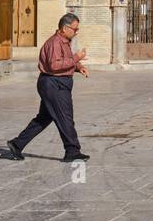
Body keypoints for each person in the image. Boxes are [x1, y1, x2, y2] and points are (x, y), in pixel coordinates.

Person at [6, 13, 90, 163]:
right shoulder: (55, 43)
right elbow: (55, 65)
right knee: (65, 117)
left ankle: (17, 144)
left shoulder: (64, 42)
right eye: (74, 29)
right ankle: (72, 151)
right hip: (54, 83)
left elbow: (65, 59)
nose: (76, 32)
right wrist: (77, 57)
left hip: (57, 83)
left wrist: (78, 67)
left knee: (44, 118)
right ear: (65, 28)